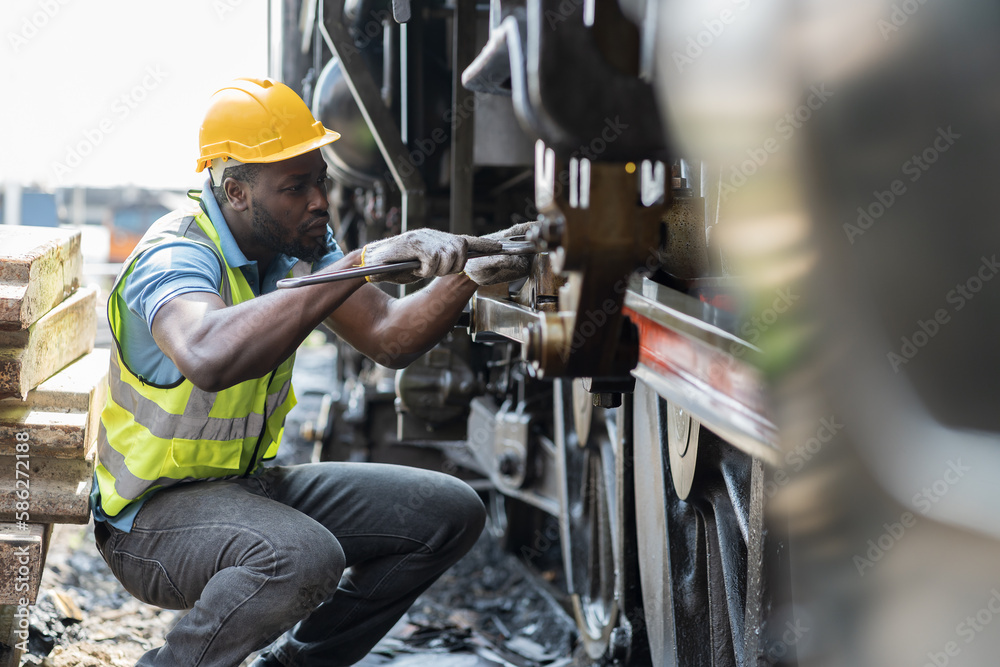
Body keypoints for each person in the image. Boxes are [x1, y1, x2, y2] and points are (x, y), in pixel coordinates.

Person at [90, 77, 532, 666]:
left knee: (448, 513)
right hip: (148, 521)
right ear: (236, 192)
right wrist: (361, 262)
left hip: (248, 490)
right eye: (294, 187)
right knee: (301, 557)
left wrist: (466, 276)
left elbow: (388, 337)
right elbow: (207, 355)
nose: (318, 200)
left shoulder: (301, 246)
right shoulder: (176, 253)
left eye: (319, 180)